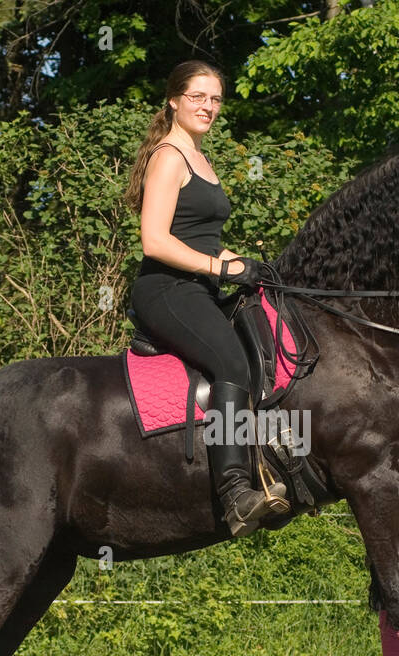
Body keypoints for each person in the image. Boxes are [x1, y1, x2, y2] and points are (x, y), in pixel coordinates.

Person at [123, 60, 288, 538]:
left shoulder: (201, 158)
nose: (208, 106)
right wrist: (221, 269)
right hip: (166, 289)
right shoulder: (169, 156)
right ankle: (235, 494)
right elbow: (155, 241)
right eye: (197, 97)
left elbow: (202, 240)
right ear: (174, 100)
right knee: (232, 363)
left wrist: (252, 267)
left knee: (265, 347)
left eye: (215, 99)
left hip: (200, 285)